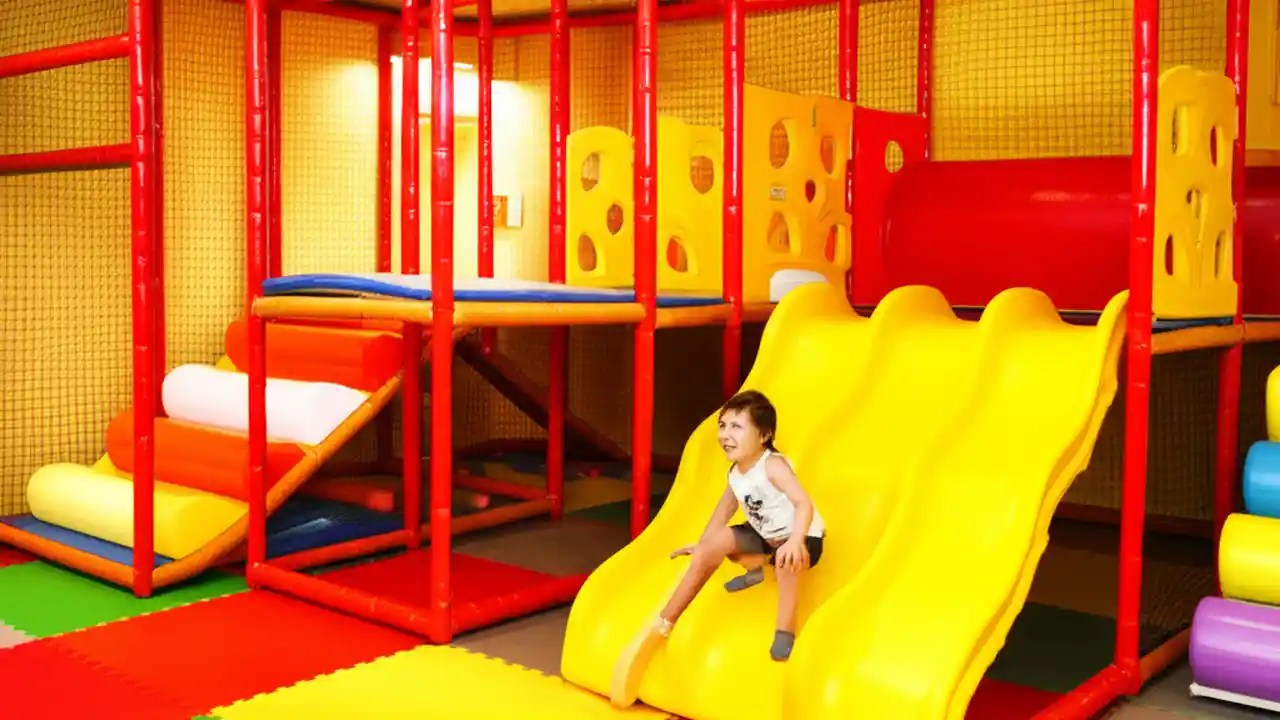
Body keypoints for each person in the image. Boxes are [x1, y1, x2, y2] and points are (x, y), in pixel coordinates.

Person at [610, 389, 826, 707]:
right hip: (766, 537)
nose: (725, 434)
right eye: (722, 426)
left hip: (802, 536)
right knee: (719, 541)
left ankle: (785, 630)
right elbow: (723, 511)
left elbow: (803, 504)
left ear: (764, 435)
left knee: (785, 562)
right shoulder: (735, 473)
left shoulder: (773, 466)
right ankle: (666, 621)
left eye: (736, 427)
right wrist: (704, 545)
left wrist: (795, 541)